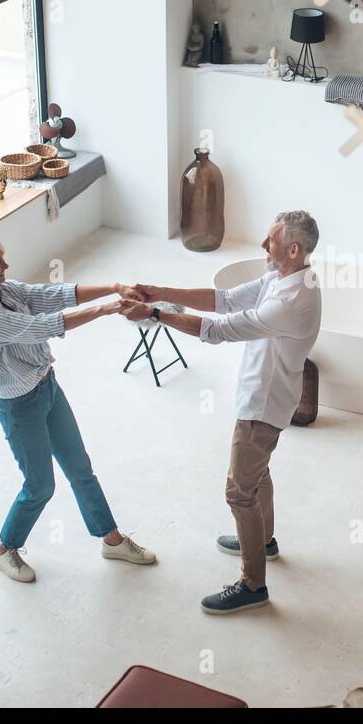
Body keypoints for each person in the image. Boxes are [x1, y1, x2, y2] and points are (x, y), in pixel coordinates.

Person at [123, 211, 321, 614]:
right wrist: (159, 291)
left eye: (272, 240)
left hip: (263, 405)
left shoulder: (291, 299)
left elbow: (219, 329)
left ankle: (253, 585)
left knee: (238, 492)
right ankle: (263, 541)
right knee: (258, 472)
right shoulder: (286, 275)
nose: (264, 246)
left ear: (294, 249)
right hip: (269, 395)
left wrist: (157, 314)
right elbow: (226, 299)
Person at [0, 231, 155, 583]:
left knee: (81, 469)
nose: (6, 266)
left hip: (49, 389)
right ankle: (4, 548)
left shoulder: (4, 289)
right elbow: (38, 326)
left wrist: (113, 287)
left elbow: (49, 295)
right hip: (19, 407)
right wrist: (106, 309)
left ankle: (111, 539)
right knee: (40, 486)